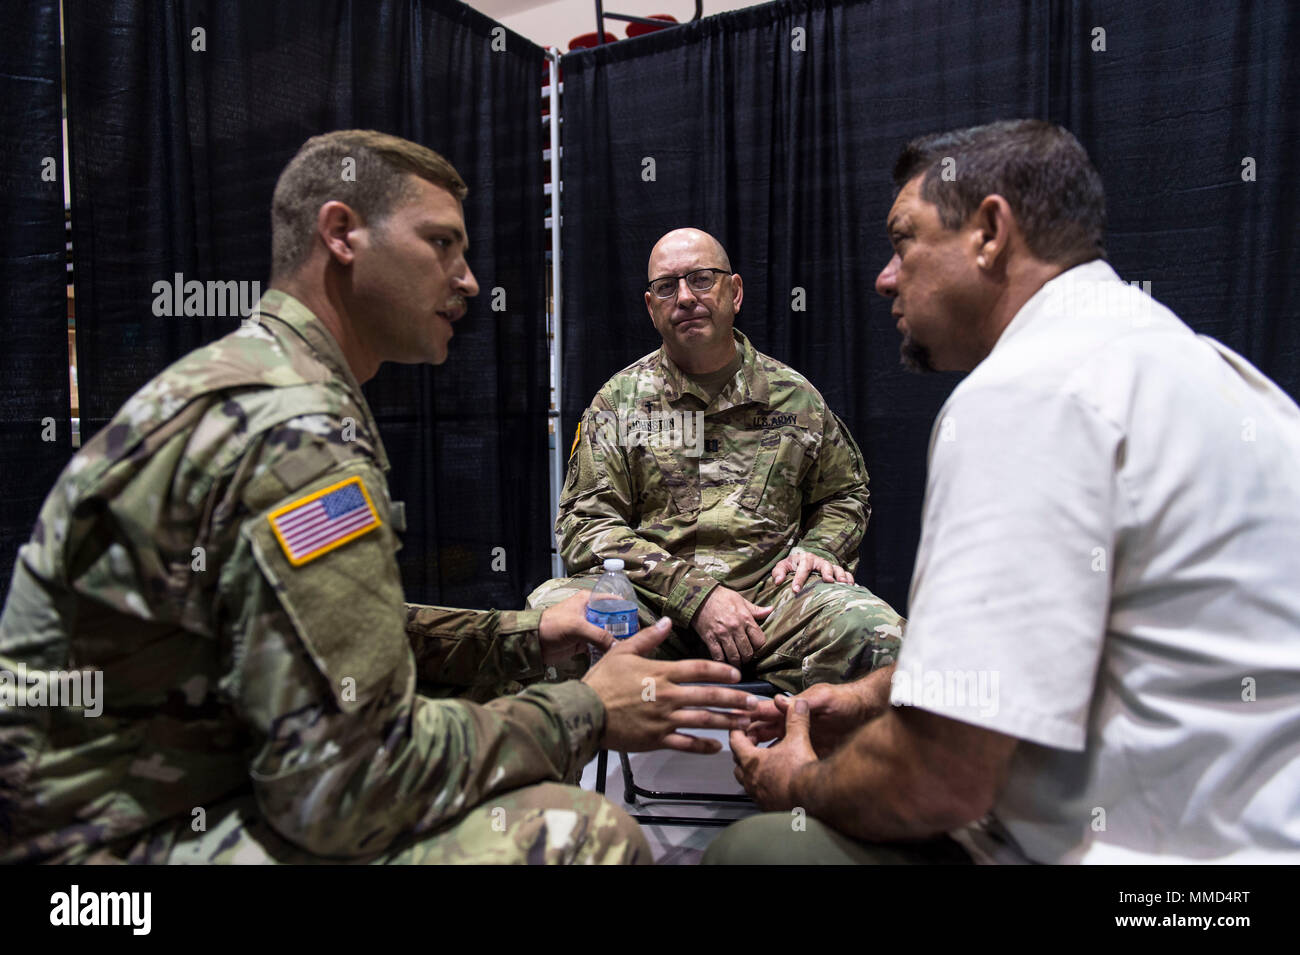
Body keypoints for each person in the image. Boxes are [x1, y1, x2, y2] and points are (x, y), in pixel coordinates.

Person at [0, 130, 759, 865]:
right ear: (342, 233)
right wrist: (589, 710)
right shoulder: (296, 430)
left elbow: (337, 633)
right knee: (581, 833)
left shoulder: (263, 378)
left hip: (146, 792)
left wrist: (528, 635)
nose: (468, 278)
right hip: (122, 847)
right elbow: (346, 782)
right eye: (441, 243)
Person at [705, 119, 1300, 864]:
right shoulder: (1205, 371)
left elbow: (939, 778)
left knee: (764, 849)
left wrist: (800, 782)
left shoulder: (1029, 393)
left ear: (990, 231)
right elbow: (1051, 643)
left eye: (903, 240)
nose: (886, 276)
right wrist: (868, 697)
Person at [527, 228, 904, 692]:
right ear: (651, 307)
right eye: (667, 286)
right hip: (653, 609)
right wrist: (696, 596)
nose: (685, 297)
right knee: (549, 619)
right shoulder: (619, 402)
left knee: (878, 635)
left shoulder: (794, 397)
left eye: (702, 279)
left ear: (735, 291)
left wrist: (821, 549)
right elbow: (586, 522)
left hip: (774, 606)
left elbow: (844, 493)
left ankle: (821, 763)